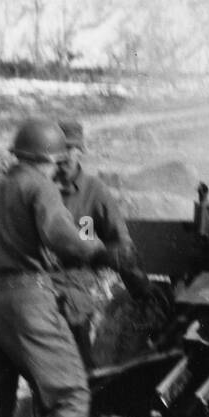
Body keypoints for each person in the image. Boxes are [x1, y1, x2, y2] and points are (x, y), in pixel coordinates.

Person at [0, 117, 130, 417]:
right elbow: (59, 235)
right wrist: (99, 252)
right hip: (30, 303)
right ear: (47, 160)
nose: (58, 170)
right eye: (56, 163)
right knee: (70, 395)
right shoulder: (40, 188)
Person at [52, 119, 148, 368]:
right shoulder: (40, 188)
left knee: (80, 364)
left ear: (79, 150)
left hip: (75, 289)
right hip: (37, 285)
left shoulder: (95, 191)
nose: (62, 157)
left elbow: (121, 246)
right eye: (56, 150)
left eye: (68, 149)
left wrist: (139, 292)